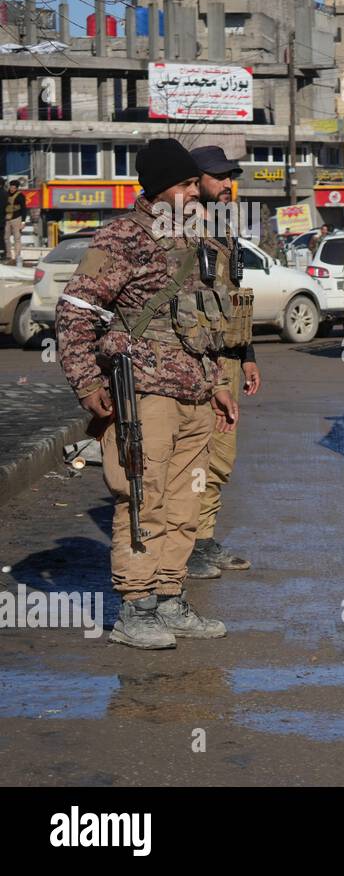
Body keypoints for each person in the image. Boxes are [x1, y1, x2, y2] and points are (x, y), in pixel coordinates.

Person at [55, 138, 238, 650]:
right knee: (142, 500)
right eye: (184, 185)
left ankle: (169, 598)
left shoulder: (195, 238)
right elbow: (75, 311)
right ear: (159, 188)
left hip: (196, 397)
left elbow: (209, 320)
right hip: (145, 395)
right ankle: (134, 609)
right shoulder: (122, 238)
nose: (193, 193)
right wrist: (88, 383)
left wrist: (220, 384)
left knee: (186, 503)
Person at [187, 145, 259, 578]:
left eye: (231, 176)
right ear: (196, 183)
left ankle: (204, 538)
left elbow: (234, 303)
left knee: (221, 458)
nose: (228, 184)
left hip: (228, 360)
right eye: (219, 177)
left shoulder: (224, 230)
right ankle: (188, 544)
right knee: (197, 457)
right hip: (198, 363)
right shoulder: (182, 233)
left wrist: (247, 356)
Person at [5, 180, 28, 265]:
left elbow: (24, 209)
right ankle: (8, 256)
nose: (12, 189)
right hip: (6, 219)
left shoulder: (20, 196)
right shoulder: (5, 194)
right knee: (6, 238)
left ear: (17, 188)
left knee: (17, 238)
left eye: (14, 187)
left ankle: (17, 256)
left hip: (17, 219)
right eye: (11, 187)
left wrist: (23, 221)